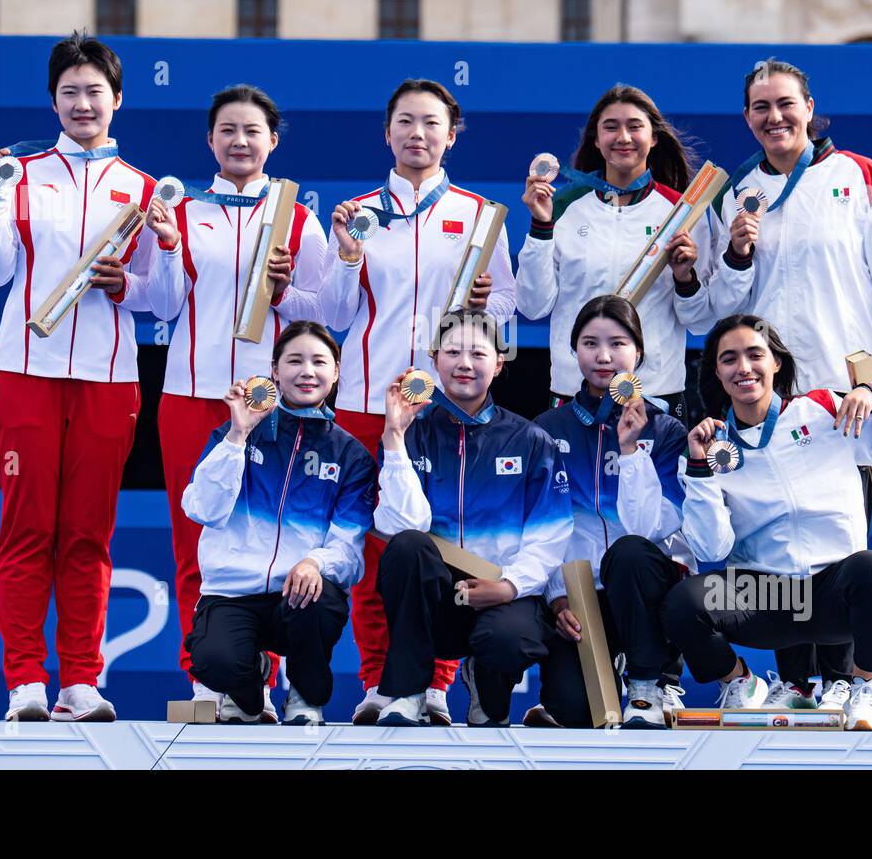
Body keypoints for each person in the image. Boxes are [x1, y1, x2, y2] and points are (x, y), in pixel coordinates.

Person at [673, 58, 872, 706]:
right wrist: (734, 254)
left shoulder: (859, 178)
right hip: (762, 398)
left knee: (838, 537)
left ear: (810, 107)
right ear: (747, 118)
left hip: (844, 403)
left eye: (785, 104)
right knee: (769, 537)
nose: (775, 117)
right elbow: (716, 311)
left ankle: (848, 682)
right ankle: (791, 683)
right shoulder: (737, 193)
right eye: (761, 107)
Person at [0, 31, 160, 722]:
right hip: (24, 371)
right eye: (70, 92)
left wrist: (128, 282)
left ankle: (81, 682)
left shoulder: (143, 189)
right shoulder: (19, 176)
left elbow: (160, 298)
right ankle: (25, 681)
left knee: (87, 534)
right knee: (27, 533)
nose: (84, 104)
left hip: (108, 380)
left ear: (118, 100)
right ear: (52, 101)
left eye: (95, 92)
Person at [320, 79, 518, 725]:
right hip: (363, 401)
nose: (418, 134)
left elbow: (509, 323)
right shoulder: (354, 215)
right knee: (377, 548)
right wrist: (347, 259)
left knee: (441, 545)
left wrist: (491, 305)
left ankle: (435, 683)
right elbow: (331, 314)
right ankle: (380, 679)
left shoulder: (483, 217)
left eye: (432, 123)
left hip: (447, 406)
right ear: (386, 132)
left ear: (451, 135)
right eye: (405, 121)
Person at [143, 84, 326, 720]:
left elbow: (324, 314)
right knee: (194, 539)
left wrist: (282, 293)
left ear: (272, 141)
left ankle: (262, 687)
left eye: (252, 131)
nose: (240, 141)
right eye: (228, 130)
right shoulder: (183, 213)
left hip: (270, 408)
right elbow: (162, 305)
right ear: (210, 141)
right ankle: (206, 682)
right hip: (189, 399)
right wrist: (165, 246)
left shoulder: (300, 219)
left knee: (267, 544)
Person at [661, 315, 872, 730]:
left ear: (776, 363)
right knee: (684, 603)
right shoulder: (710, 447)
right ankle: (741, 682)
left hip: (831, 590)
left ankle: (861, 688)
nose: (744, 368)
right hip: (768, 595)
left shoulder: (823, 409)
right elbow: (711, 549)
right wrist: (699, 470)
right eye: (729, 359)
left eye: (755, 355)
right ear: (716, 371)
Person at [372, 309, 571, 727]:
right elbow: (401, 525)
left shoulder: (531, 440)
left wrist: (509, 586)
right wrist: (394, 437)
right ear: (434, 359)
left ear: (499, 364)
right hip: (443, 600)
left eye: (478, 353)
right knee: (408, 547)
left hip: (504, 595)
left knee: (506, 641)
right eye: (453, 352)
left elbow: (551, 534)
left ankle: (487, 691)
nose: (465, 363)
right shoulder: (413, 432)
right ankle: (409, 693)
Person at [181, 322, 376, 724]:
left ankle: (305, 698)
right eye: (295, 361)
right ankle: (252, 684)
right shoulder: (236, 432)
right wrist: (237, 433)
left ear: (336, 372)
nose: (307, 371)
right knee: (216, 661)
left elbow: (351, 552)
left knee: (317, 601)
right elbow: (203, 509)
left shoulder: (351, 455)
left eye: (319, 362)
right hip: (234, 593)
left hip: (300, 593)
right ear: (274, 370)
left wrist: (316, 563)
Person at [530, 295, 696, 728]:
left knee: (629, 551)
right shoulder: (547, 431)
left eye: (618, 343)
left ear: (638, 352)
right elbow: (537, 528)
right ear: (573, 351)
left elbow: (649, 528)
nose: (604, 357)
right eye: (589, 343)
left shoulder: (666, 430)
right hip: (581, 594)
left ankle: (649, 684)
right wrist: (555, 595)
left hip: (645, 587)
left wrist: (630, 450)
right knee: (573, 710)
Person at [516, 84, 705, 417]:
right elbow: (533, 306)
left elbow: (700, 320)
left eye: (634, 126)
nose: (623, 137)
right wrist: (541, 227)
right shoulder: (561, 206)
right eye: (611, 127)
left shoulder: (680, 212)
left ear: (654, 137)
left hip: (654, 393)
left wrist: (685, 278)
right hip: (573, 391)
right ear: (595, 138)